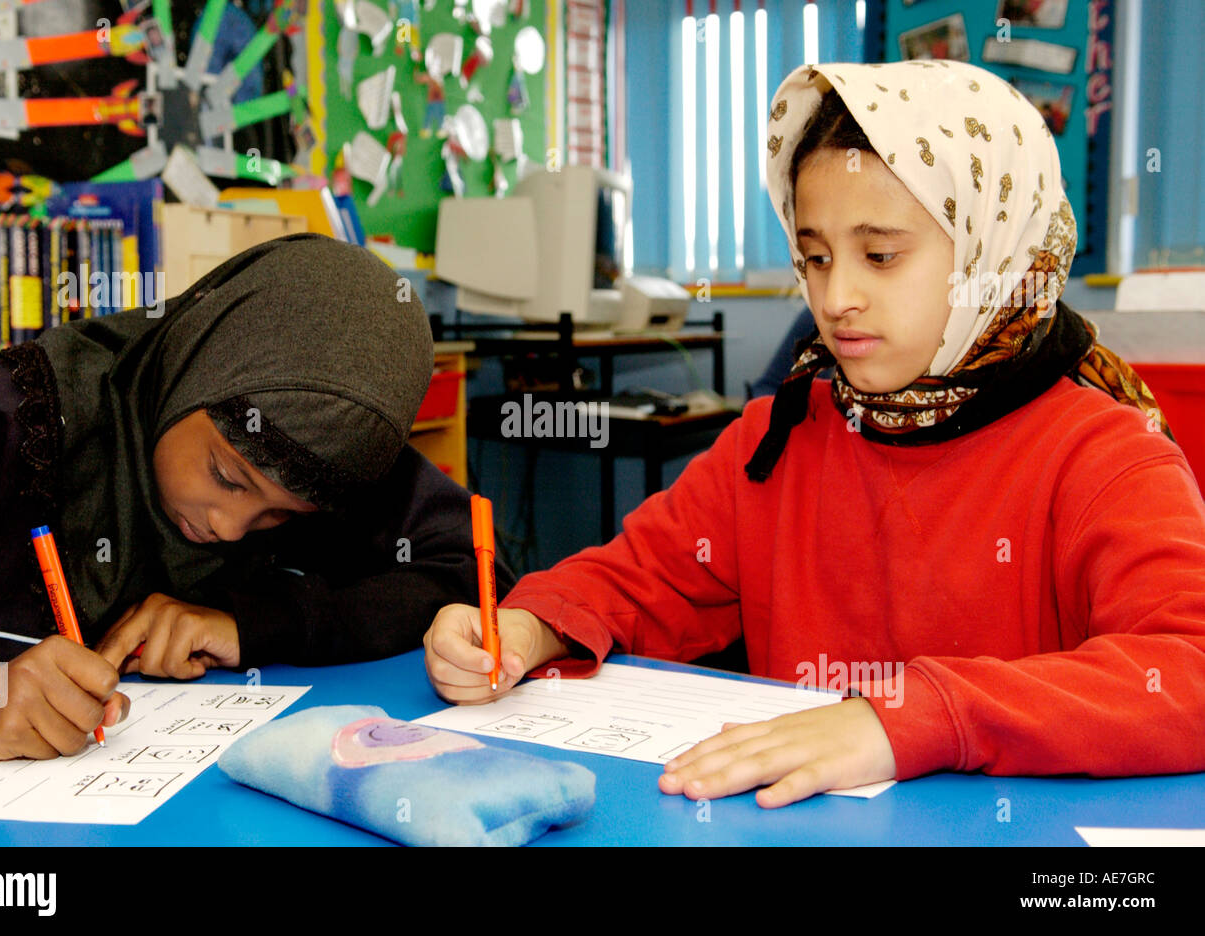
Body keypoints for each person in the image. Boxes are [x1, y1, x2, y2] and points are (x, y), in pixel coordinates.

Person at [423, 60, 1205, 808]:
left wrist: (902, 719)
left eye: (881, 255)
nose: (837, 297)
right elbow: (636, 578)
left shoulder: (1105, 454)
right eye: (815, 257)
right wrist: (526, 628)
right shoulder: (778, 436)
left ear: (990, 252)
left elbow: (1187, 672)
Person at [0, 234, 511, 758]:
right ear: (194, 360)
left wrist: (253, 622)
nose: (230, 527)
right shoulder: (1, 425)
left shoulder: (326, 448)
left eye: (281, 515)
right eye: (226, 477)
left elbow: (473, 579)